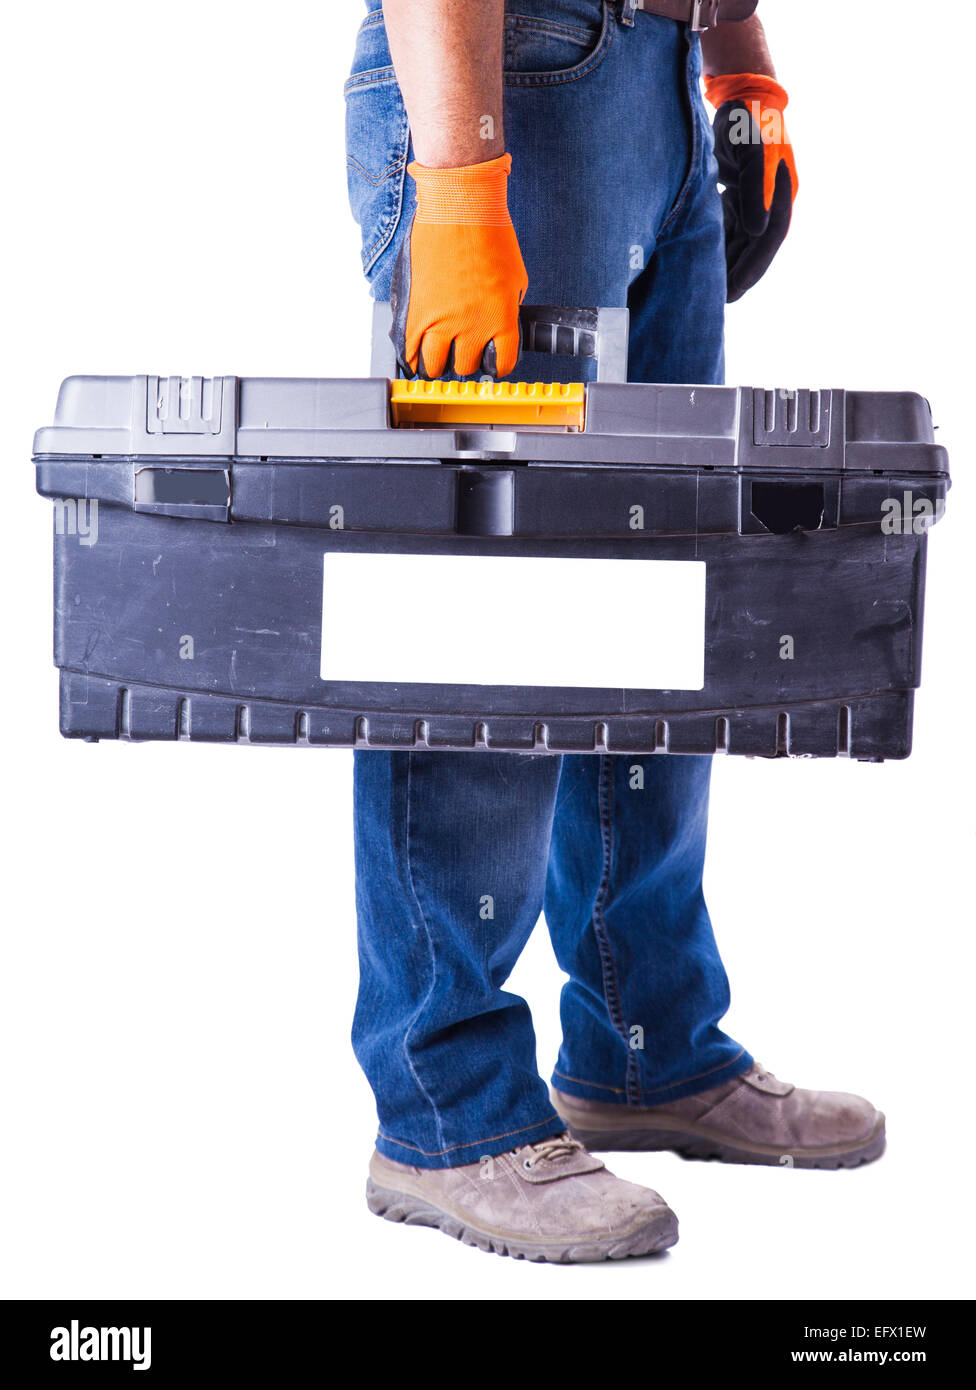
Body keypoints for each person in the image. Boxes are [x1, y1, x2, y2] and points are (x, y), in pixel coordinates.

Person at [344, 0, 884, 1264]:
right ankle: (446, 1108)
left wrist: (739, 61)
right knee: (488, 621)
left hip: (659, 79)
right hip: (507, 82)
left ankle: (645, 1047)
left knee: (651, 604)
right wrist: (464, 187)